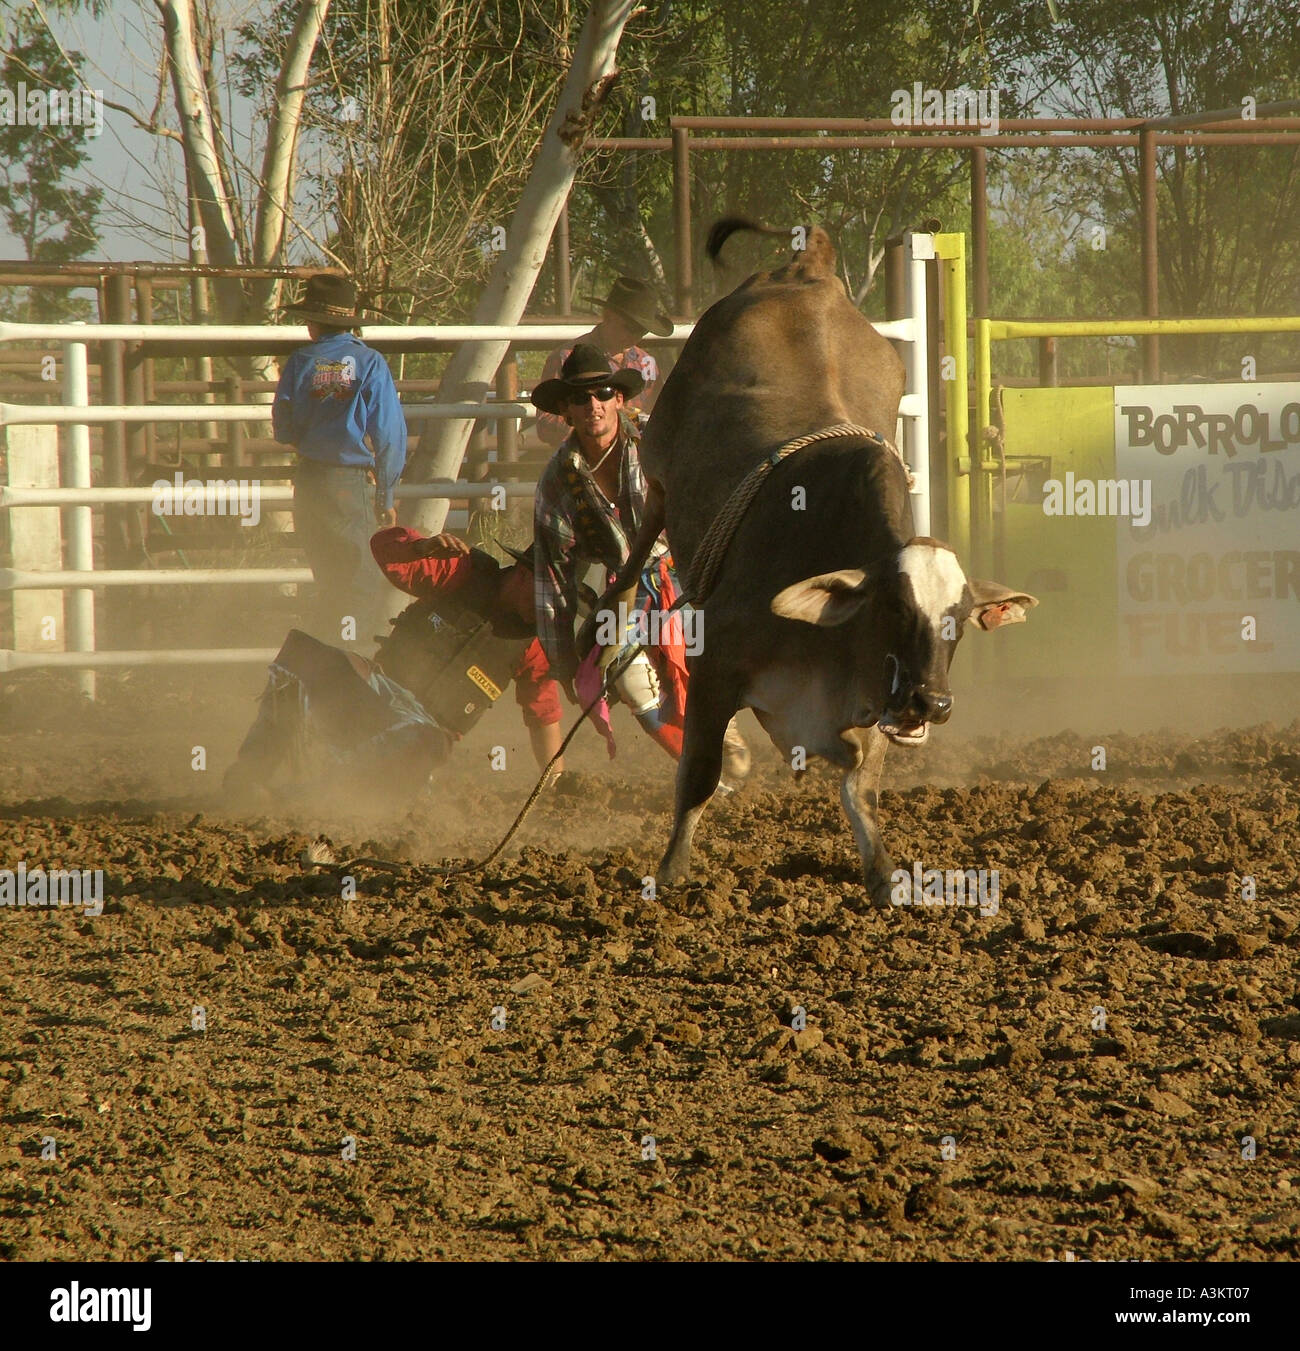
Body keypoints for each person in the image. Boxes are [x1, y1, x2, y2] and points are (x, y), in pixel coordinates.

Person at [530, 343, 749, 783]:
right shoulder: (557, 481)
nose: (593, 405)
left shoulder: (659, 440)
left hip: (689, 567)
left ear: (618, 399)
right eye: (580, 398)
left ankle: (724, 729)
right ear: (566, 411)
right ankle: (702, 774)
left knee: (709, 656)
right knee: (626, 673)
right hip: (623, 588)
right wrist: (564, 661)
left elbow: (718, 483)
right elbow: (554, 577)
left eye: (602, 393)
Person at [223, 528, 563, 802]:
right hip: (374, 690)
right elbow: (385, 551)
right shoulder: (462, 571)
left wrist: (555, 781)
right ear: (524, 575)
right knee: (303, 655)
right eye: (547, 596)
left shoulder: (534, 646)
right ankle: (252, 771)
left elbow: (543, 715)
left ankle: (298, 800)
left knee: (421, 741)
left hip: (425, 733)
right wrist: (421, 548)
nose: (550, 610)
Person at [274, 274, 407, 649]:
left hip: (310, 480)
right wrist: (385, 495)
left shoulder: (300, 361)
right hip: (349, 483)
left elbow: (283, 428)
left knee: (328, 577)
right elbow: (389, 435)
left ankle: (327, 655)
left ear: (312, 323)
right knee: (358, 579)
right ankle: (351, 656)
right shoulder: (369, 362)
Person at [534, 276, 673, 447]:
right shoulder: (565, 358)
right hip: (581, 454)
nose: (635, 337)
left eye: (642, 331)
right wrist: (599, 424)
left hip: (636, 455)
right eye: (629, 328)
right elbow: (546, 424)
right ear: (608, 316)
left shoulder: (647, 363)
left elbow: (660, 417)